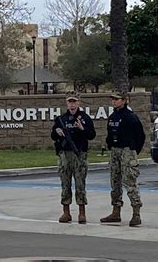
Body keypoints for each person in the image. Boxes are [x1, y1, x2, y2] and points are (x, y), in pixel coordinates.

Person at [100, 91, 145, 227]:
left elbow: (140, 136)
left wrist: (132, 151)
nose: (114, 101)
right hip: (115, 151)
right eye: (112, 99)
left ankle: (136, 213)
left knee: (130, 182)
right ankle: (116, 211)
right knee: (115, 182)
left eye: (117, 99)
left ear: (124, 100)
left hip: (127, 150)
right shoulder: (113, 117)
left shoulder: (131, 117)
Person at [51, 91, 96, 224]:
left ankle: (82, 212)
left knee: (80, 183)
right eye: (70, 101)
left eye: (74, 101)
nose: (72, 104)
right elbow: (53, 135)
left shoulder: (84, 118)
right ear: (66, 103)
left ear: (79, 102)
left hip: (79, 154)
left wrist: (82, 128)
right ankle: (66, 212)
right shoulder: (61, 119)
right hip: (65, 155)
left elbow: (91, 135)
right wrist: (57, 132)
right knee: (65, 184)